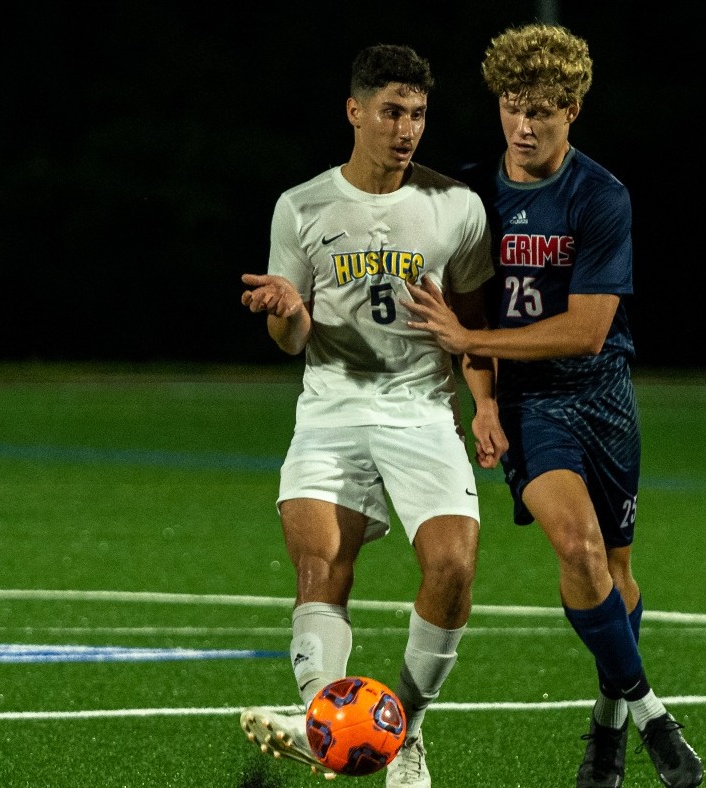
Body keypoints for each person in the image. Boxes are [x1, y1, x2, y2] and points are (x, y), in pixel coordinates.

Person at [403, 23, 703, 788]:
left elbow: (589, 328)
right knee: (577, 548)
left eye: (542, 110)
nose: (524, 126)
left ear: (573, 110)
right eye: (512, 107)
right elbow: (457, 296)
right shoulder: (470, 193)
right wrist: (484, 402)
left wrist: (473, 339)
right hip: (532, 404)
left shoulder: (600, 196)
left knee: (617, 569)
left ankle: (604, 732)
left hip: (601, 394)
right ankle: (651, 716)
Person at [237, 42, 506, 788]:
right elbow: (289, 336)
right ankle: (328, 721)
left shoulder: (456, 207)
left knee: (453, 568)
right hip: (331, 407)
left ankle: (404, 734)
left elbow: (472, 322)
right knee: (320, 563)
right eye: (391, 111)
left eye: (417, 114)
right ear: (355, 112)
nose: (406, 128)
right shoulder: (303, 206)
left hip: (422, 409)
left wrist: (484, 402)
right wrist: (289, 312)